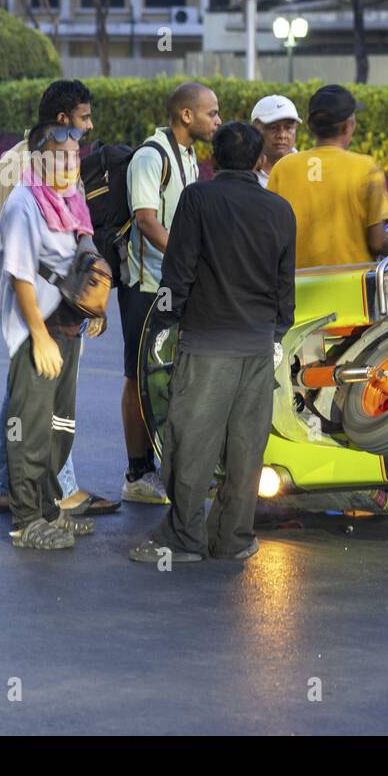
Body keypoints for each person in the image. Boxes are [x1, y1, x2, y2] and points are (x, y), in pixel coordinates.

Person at [129, 121, 296, 565]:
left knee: (192, 443)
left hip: (207, 344)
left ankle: (183, 540)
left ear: (214, 159)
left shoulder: (198, 198)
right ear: (261, 161)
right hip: (258, 347)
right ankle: (234, 539)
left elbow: (178, 271)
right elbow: (285, 290)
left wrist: (165, 322)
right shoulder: (280, 211)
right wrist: (274, 334)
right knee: (246, 447)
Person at [0, 80, 117, 518]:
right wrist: (36, 324)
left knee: (58, 415)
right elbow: (17, 248)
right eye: (84, 118)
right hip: (36, 311)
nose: (90, 126)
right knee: (26, 408)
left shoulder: (68, 170)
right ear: (61, 123)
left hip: (66, 312)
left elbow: (79, 232)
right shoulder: (20, 174)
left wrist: (90, 297)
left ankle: (51, 499)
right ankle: (21, 501)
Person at [119, 82, 219, 505]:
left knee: (169, 375)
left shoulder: (189, 156)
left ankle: (168, 466)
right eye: (211, 113)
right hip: (146, 286)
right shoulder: (151, 156)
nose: (217, 120)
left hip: (174, 283)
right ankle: (138, 473)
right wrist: (184, 259)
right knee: (138, 376)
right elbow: (146, 221)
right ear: (186, 116)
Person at [267, 84, 388, 268]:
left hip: (296, 288)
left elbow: (269, 235)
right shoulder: (366, 167)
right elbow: (377, 242)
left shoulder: (283, 167)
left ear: (311, 126)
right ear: (348, 125)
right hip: (352, 287)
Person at [250, 94, 301, 187]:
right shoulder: (244, 173)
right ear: (255, 130)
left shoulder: (307, 169)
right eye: (273, 128)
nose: (282, 135)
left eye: (288, 127)